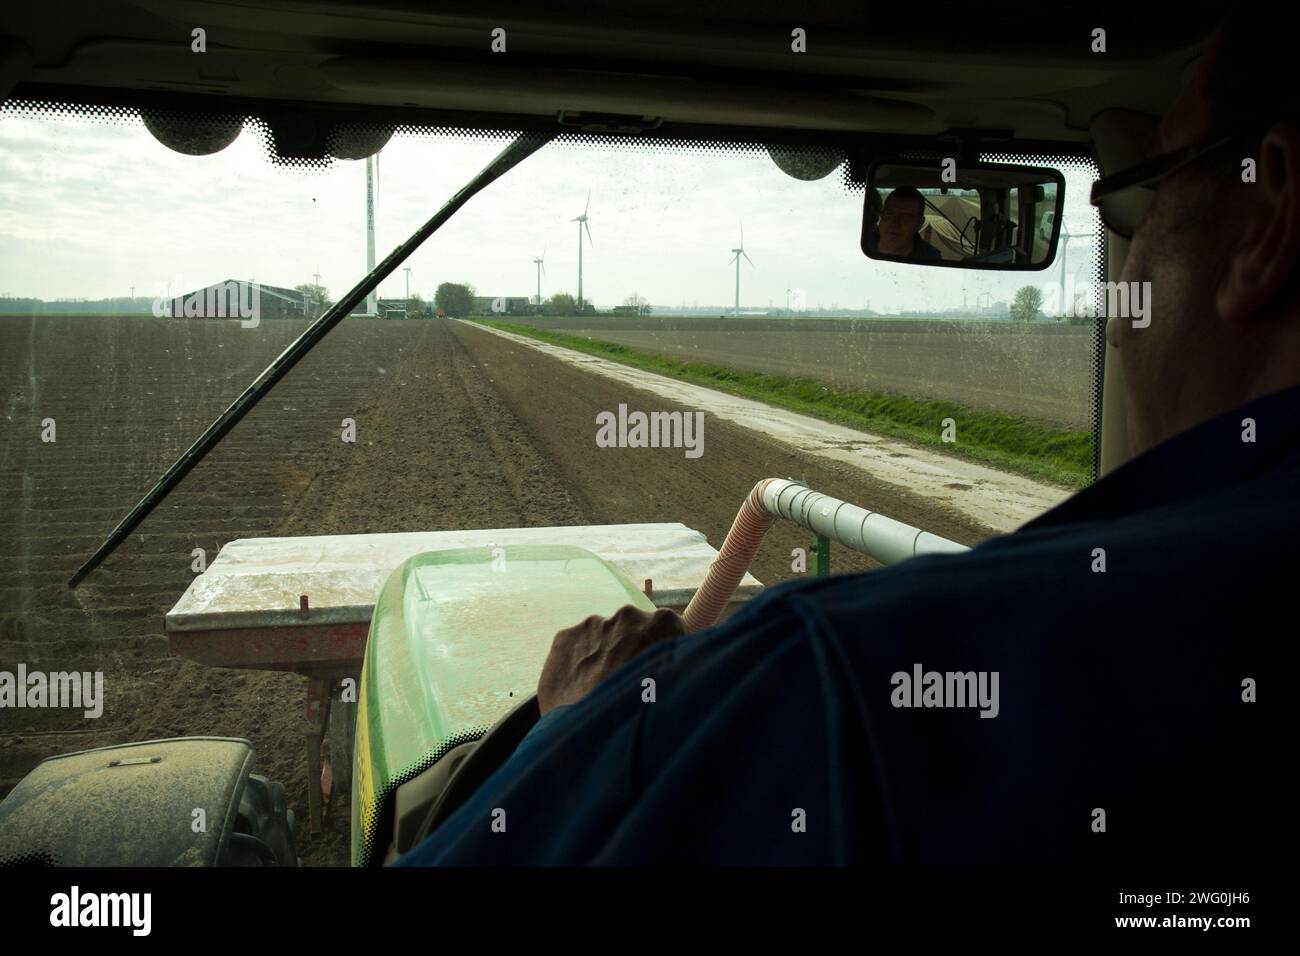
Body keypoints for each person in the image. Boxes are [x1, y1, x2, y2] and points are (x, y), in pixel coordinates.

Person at [396, 16, 1297, 865]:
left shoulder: (834, 691)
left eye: (1140, 206)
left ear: (1266, 215)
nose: (1125, 283)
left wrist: (585, 733)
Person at [865, 186, 944, 261]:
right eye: (889, 214)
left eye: (905, 218)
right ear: (881, 215)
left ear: (919, 223)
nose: (895, 223)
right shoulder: (860, 243)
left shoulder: (931, 258)